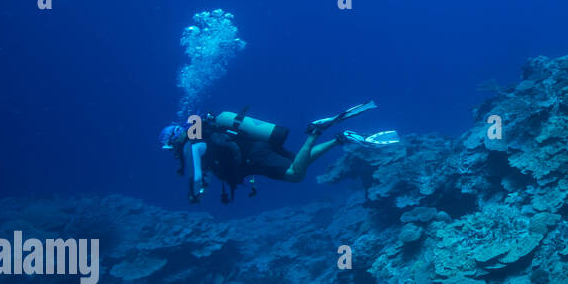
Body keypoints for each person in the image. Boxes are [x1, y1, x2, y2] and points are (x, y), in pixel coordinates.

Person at [159, 102, 396, 204]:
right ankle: (340, 139)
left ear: (176, 138)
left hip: (254, 156)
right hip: (257, 148)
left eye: (171, 146)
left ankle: (315, 131)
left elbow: (199, 175)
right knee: (297, 162)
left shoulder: (194, 145)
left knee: (295, 174)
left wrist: (196, 193)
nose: (174, 151)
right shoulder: (209, 135)